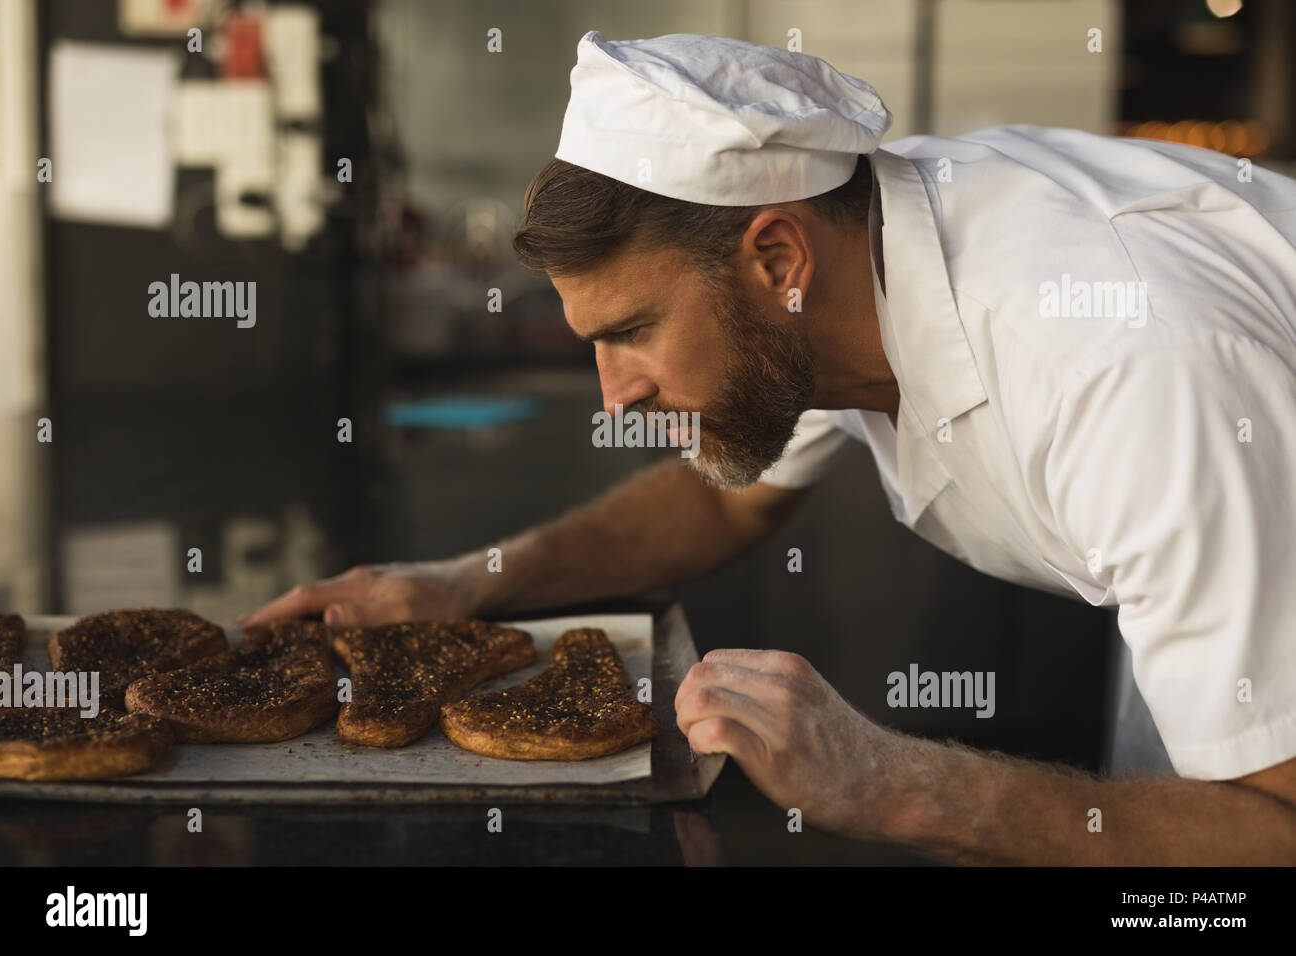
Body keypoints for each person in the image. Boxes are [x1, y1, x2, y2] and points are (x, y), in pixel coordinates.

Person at [241, 32, 1296, 863]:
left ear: (775, 254)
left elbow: (1274, 825)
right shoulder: (845, 263)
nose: (614, 400)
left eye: (632, 330)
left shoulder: (1123, 368)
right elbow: (721, 498)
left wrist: (889, 780)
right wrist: (462, 583)